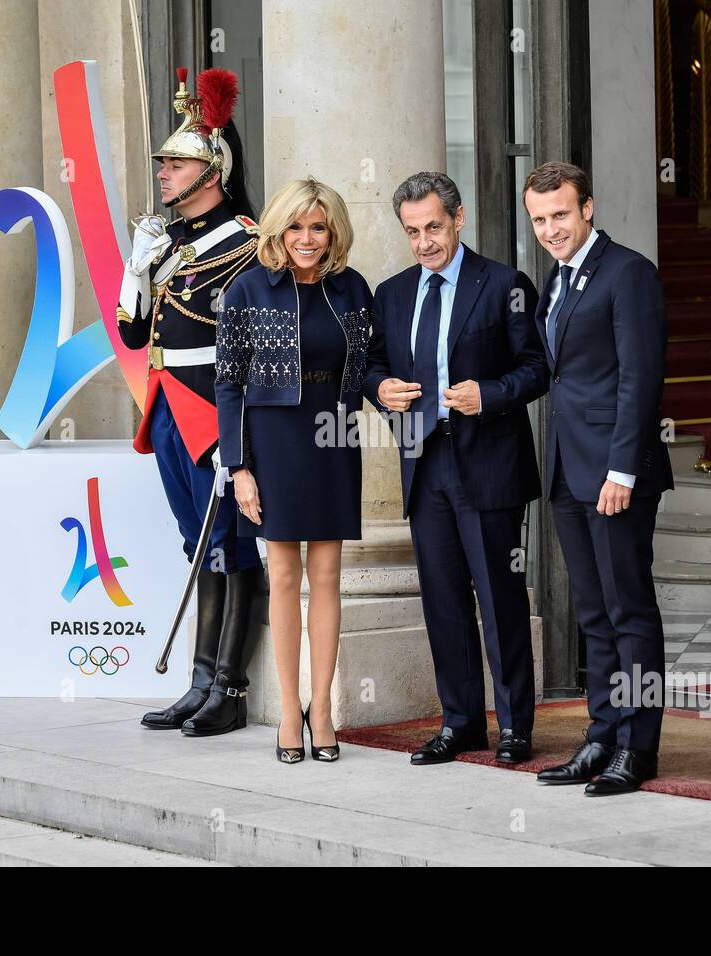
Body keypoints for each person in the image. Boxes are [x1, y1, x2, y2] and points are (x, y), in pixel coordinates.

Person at [364, 171, 546, 766]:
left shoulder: (503, 284)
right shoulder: (390, 294)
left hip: (488, 462)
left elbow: (537, 368)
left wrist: (488, 394)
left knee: (499, 599)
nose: (424, 242)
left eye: (434, 227)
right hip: (423, 462)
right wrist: (381, 388)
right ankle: (461, 721)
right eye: (413, 232)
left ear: (459, 218)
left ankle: (516, 725)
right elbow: (369, 365)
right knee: (442, 601)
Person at [116, 68, 263, 736]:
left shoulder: (248, 243)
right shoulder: (167, 241)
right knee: (197, 545)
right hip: (169, 401)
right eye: (165, 163)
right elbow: (131, 333)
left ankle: (229, 688)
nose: (164, 173)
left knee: (232, 545)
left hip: (215, 407)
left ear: (213, 172)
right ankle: (198, 681)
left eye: (177, 163)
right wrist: (136, 270)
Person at [521, 162, 674, 796]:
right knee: (592, 612)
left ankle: (638, 747)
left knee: (628, 609)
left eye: (561, 214)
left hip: (616, 473)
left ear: (588, 208)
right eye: (539, 219)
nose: (550, 228)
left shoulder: (629, 272)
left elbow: (640, 378)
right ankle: (603, 733)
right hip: (565, 470)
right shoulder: (554, 281)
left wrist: (622, 470)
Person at [215, 178, 372, 764]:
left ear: (333, 232)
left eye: (319, 226)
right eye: (297, 226)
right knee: (283, 575)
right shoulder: (249, 289)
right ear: (279, 230)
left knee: (327, 573)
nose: (307, 238)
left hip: (333, 436)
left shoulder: (352, 288)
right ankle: (288, 710)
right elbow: (228, 384)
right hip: (272, 443)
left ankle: (323, 710)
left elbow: (372, 366)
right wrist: (238, 468)